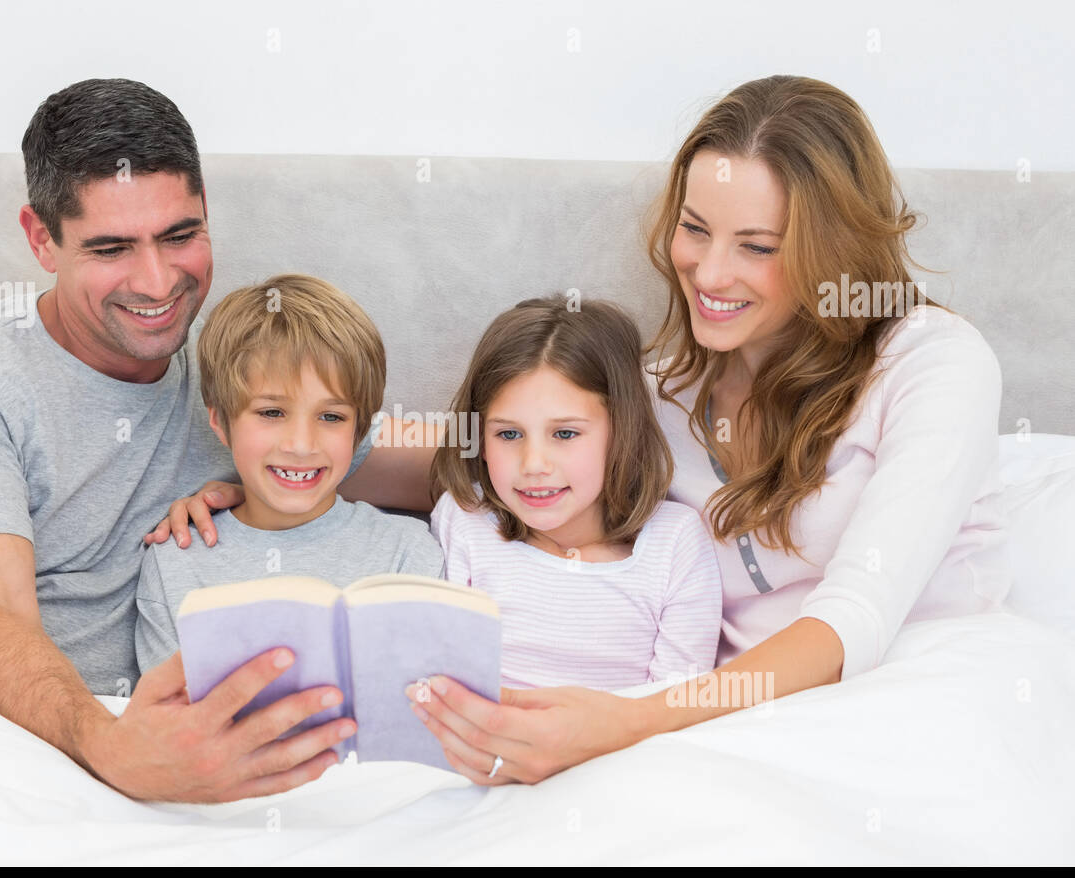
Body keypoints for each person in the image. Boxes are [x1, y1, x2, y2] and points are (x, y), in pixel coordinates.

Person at [162, 74, 1011, 786]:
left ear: (834, 249)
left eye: (757, 246)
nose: (710, 272)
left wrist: (628, 722)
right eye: (694, 230)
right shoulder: (662, 393)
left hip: (903, 697)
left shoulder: (933, 364)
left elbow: (854, 618)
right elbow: (464, 453)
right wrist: (261, 475)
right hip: (724, 727)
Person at [0, 78, 435, 804]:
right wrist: (112, 749)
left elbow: (450, 465)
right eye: (111, 247)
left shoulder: (242, 387)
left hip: (118, 726)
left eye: (180, 236)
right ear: (41, 238)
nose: (158, 281)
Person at [136, 274, 444, 673]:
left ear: (360, 431)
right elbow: (166, 708)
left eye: (331, 416)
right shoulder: (175, 564)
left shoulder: (407, 552)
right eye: (272, 412)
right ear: (221, 422)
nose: (301, 444)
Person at [428, 295, 721, 690]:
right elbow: (440, 675)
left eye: (565, 433)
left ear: (621, 432)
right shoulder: (465, 521)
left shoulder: (675, 543)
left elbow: (673, 703)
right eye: (508, 434)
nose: (534, 464)